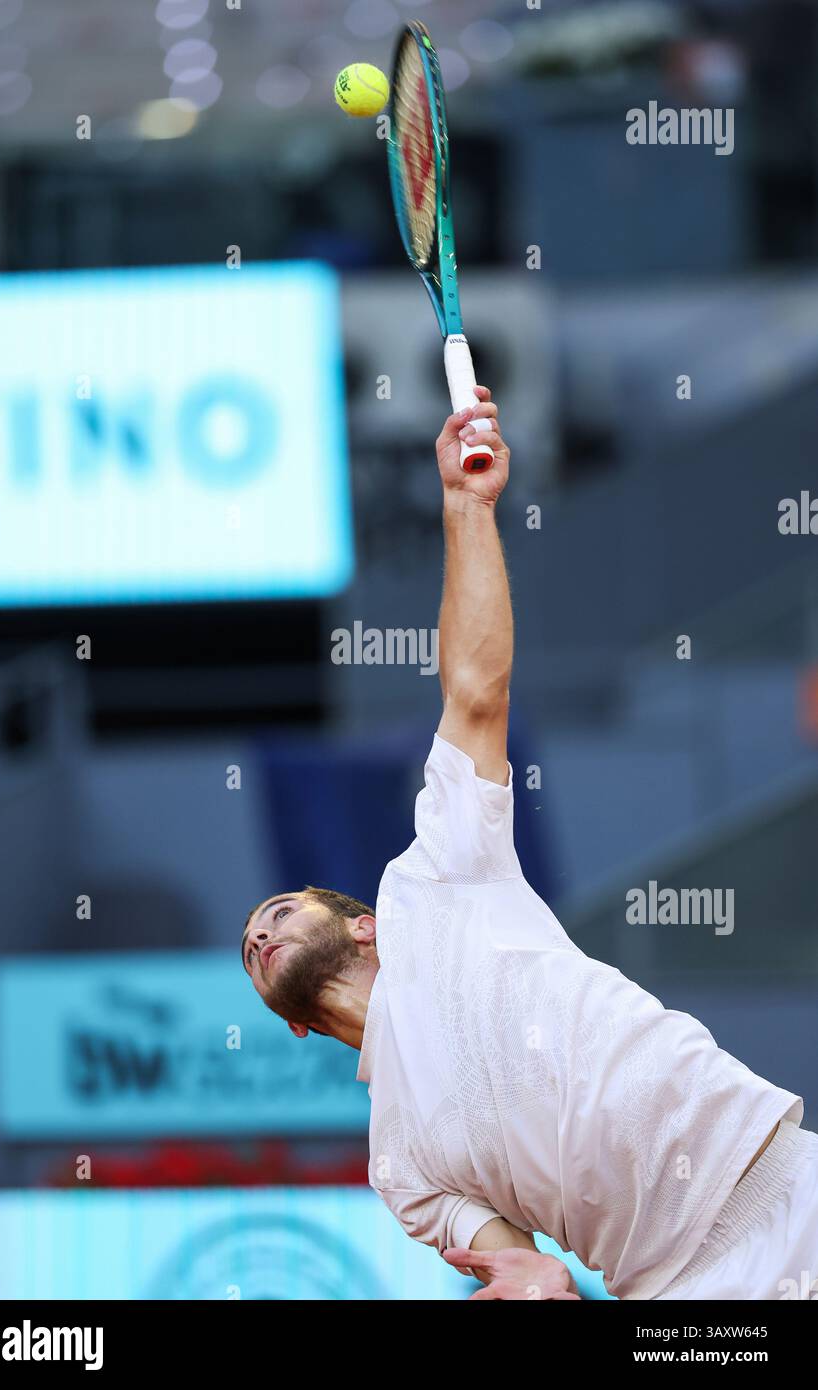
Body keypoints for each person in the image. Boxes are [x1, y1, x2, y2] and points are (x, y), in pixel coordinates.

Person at [242, 390, 814, 1300]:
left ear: (359, 925)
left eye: (277, 912)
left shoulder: (436, 882)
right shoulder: (401, 1167)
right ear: (293, 1023)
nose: (260, 935)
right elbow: (529, 1272)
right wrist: (534, 1282)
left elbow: (474, 693)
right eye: (251, 950)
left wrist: (466, 508)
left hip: (781, 1180)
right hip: (685, 1298)